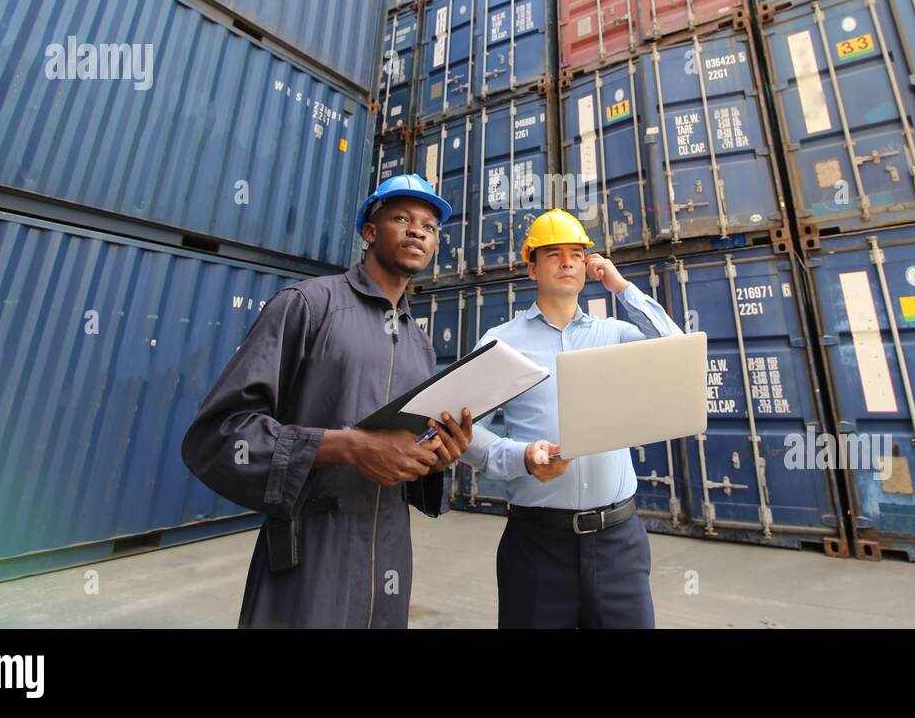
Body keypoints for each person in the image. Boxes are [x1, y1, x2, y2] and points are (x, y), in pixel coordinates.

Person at [181, 174, 474, 628]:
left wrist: (436, 458)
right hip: (311, 547)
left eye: (430, 226)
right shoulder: (307, 304)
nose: (418, 231)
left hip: (391, 553)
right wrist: (351, 447)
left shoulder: (420, 343)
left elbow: (404, 452)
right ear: (370, 232)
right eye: (402, 218)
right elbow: (220, 433)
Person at [461, 209, 684, 628]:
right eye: (553, 254)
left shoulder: (613, 335)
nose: (567, 262)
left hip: (618, 543)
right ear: (531, 267)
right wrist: (520, 456)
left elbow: (676, 353)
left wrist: (620, 286)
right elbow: (465, 428)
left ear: (588, 264)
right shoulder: (502, 343)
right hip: (537, 546)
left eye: (576, 254)